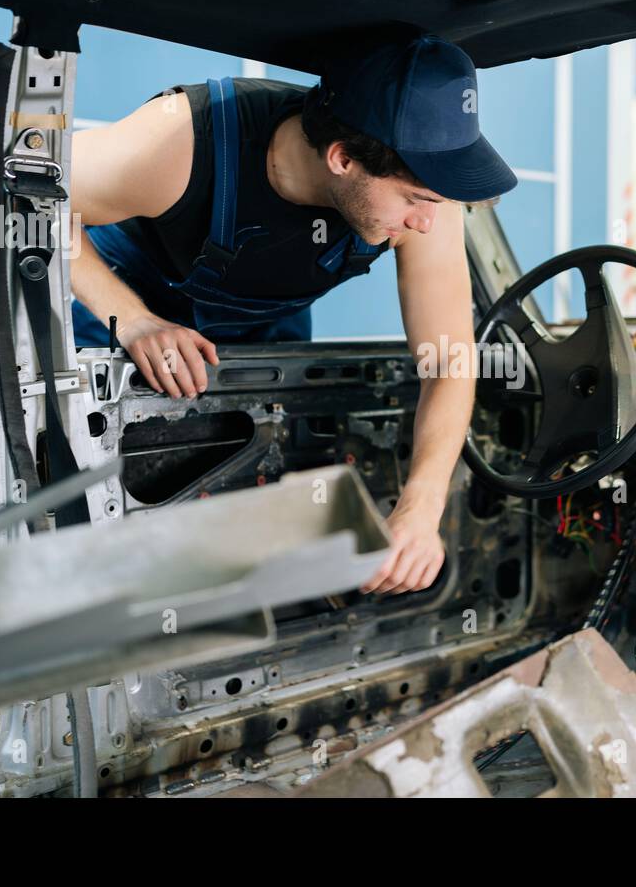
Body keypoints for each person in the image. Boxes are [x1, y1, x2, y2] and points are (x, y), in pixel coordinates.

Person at [68, 32, 517, 594]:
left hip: (266, 322)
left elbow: (449, 361)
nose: (428, 222)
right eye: (416, 201)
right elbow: (31, 197)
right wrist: (130, 319)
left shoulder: (426, 198)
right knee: (117, 525)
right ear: (342, 158)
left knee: (260, 499)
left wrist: (420, 508)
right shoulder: (180, 142)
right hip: (136, 306)